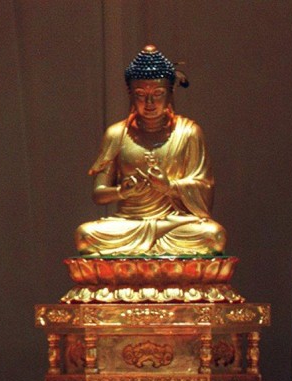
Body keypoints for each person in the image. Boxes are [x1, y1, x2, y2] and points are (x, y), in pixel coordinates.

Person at [75, 45, 226, 256]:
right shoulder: (116, 134)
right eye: (141, 95)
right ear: (131, 95)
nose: (149, 103)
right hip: (129, 223)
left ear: (170, 93)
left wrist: (169, 186)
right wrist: (121, 191)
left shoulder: (189, 133)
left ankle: (142, 260)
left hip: (172, 224)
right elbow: (99, 193)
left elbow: (205, 187)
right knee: (85, 236)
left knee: (213, 236)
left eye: (157, 94)